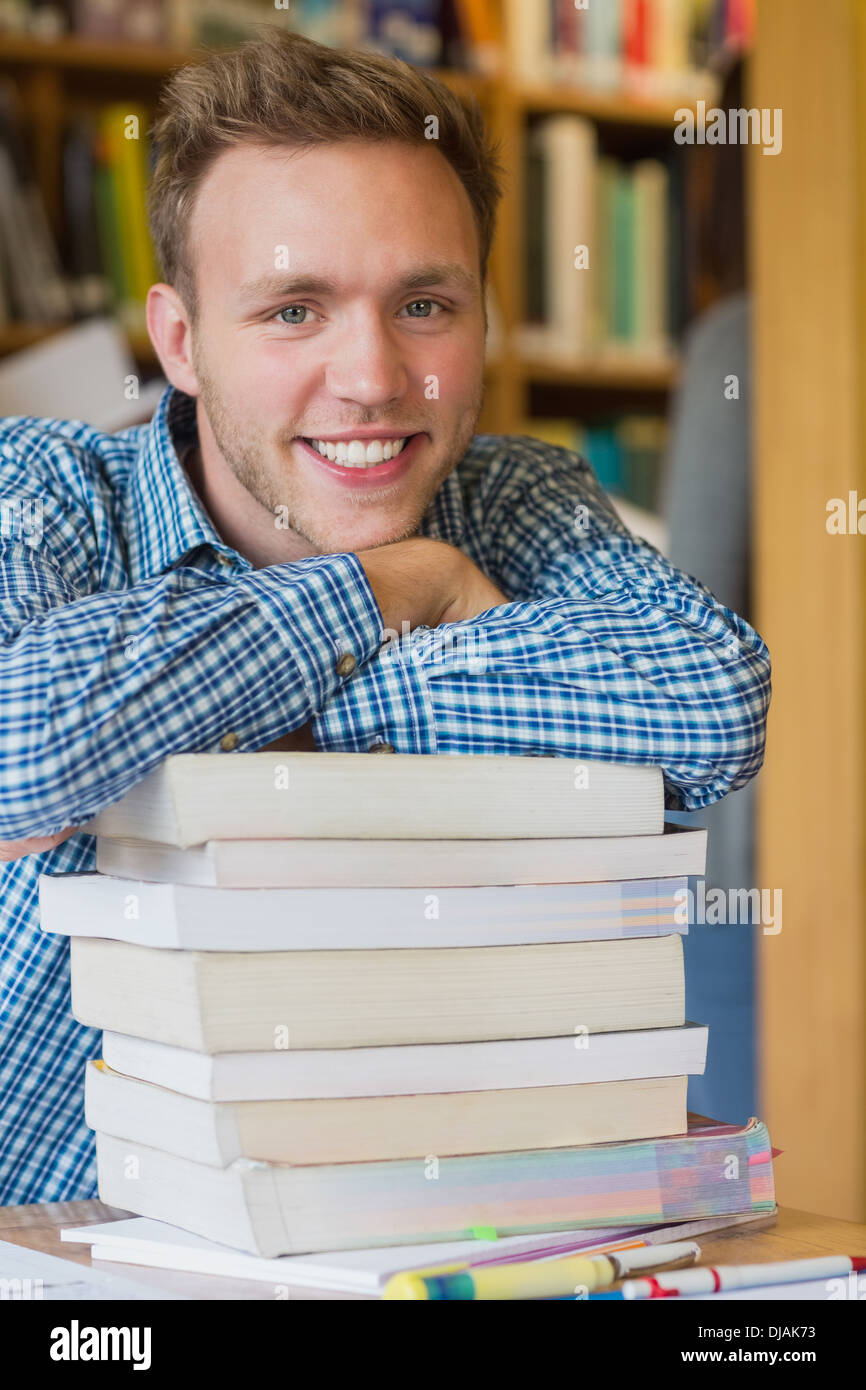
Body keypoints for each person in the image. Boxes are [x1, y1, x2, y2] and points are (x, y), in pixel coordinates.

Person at [0, 30, 770, 1204]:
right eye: (293, 309)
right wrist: (393, 590)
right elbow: (19, 750)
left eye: (422, 303)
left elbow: (708, 701)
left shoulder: (512, 498)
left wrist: (213, 730)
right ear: (179, 341)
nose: (370, 377)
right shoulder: (42, 494)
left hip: (392, 1238)